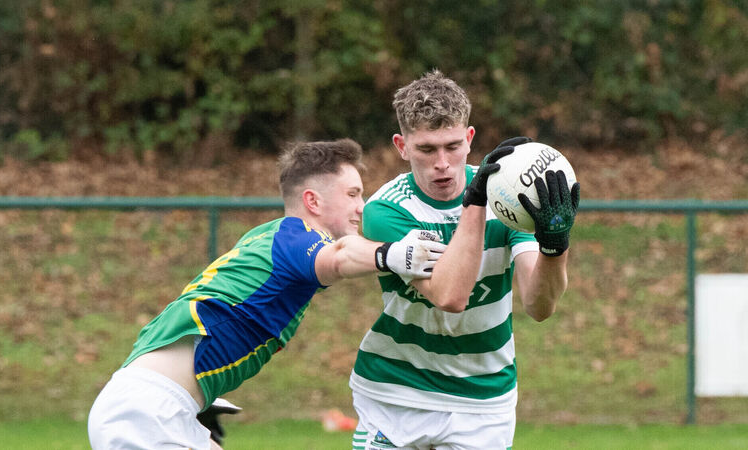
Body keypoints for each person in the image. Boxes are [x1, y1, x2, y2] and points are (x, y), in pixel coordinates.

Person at [87, 138, 447, 450]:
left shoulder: (272, 237)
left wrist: (200, 398)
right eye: (352, 194)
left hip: (159, 406)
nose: (361, 206)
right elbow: (339, 257)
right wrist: (395, 254)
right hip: (148, 410)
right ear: (313, 201)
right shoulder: (296, 239)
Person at [349, 70, 581, 449]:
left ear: (470, 139)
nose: (442, 162)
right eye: (426, 149)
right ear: (401, 146)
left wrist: (556, 245)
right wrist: (474, 202)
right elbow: (451, 296)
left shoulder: (508, 200)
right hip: (396, 392)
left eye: (453, 146)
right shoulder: (385, 210)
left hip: (483, 399)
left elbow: (539, 306)